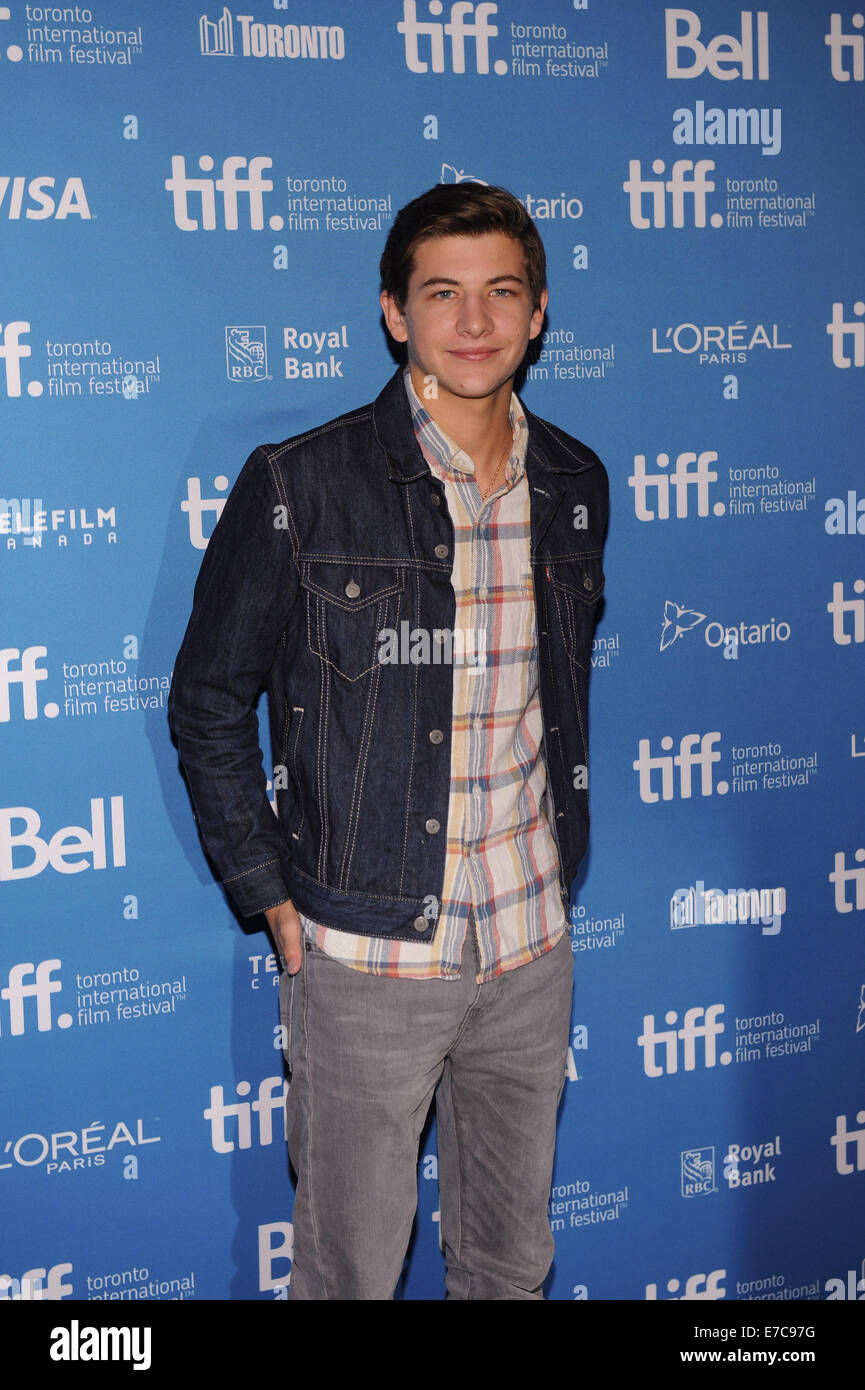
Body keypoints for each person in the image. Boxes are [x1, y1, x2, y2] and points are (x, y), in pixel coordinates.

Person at [169, 183, 608, 1300]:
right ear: (394, 314)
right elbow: (210, 697)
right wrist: (270, 892)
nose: (475, 321)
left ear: (538, 312)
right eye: (443, 293)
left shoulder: (572, 483)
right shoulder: (299, 483)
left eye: (501, 292)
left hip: (527, 944)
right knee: (350, 1275)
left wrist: (554, 887)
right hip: (365, 954)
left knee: (511, 1265)